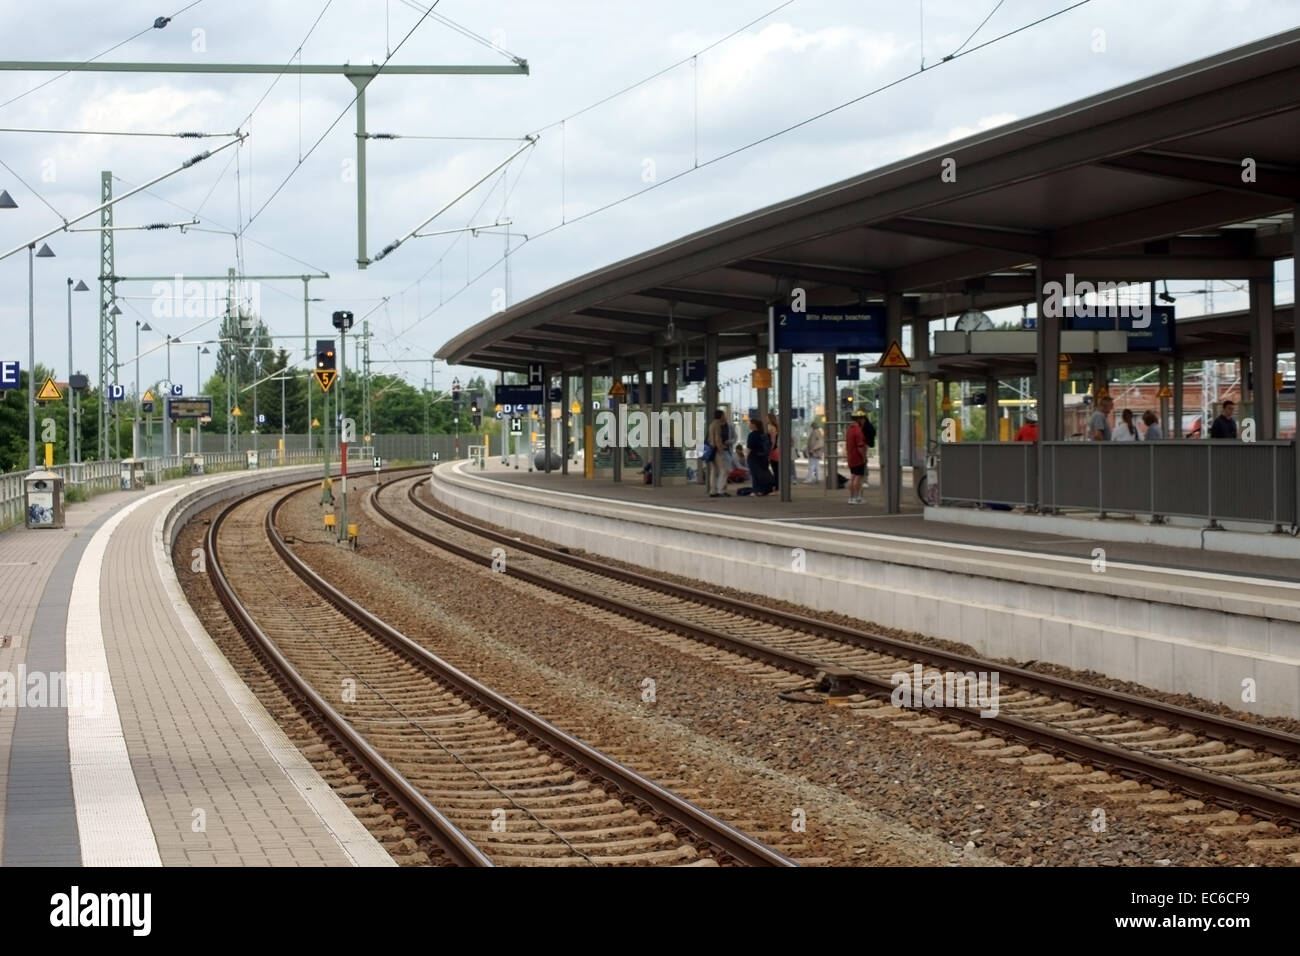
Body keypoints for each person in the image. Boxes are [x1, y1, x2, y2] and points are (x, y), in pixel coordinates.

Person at [706, 408, 732, 498]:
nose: (725, 416)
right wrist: (721, 448)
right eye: (724, 415)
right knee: (724, 470)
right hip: (716, 450)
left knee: (714, 470)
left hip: (711, 449)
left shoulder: (712, 424)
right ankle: (721, 490)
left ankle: (713, 490)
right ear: (720, 416)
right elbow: (717, 438)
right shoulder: (717, 425)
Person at [745, 417, 775, 496]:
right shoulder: (764, 434)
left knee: (755, 475)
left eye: (750, 423)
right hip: (763, 457)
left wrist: (746, 457)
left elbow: (749, 448)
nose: (749, 425)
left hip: (754, 457)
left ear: (754, 425)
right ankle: (765, 489)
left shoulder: (752, 435)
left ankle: (756, 491)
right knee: (763, 473)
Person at [846, 409, 869, 504]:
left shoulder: (849, 429)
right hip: (858, 457)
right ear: (859, 420)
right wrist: (864, 457)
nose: (864, 421)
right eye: (863, 419)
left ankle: (851, 497)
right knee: (858, 478)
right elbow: (860, 446)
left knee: (853, 477)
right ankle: (856, 498)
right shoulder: (858, 431)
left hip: (851, 457)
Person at [766, 411, 781, 491]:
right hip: (775, 450)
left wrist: (769, 450)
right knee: (775, 469)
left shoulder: (771, 428)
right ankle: (777, 486)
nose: (766, 420)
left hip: (773, 450)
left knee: (775, 469)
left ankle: (777, 487)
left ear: (770, 419)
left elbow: (772, 440)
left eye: (767, 418)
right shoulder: (774, 427)